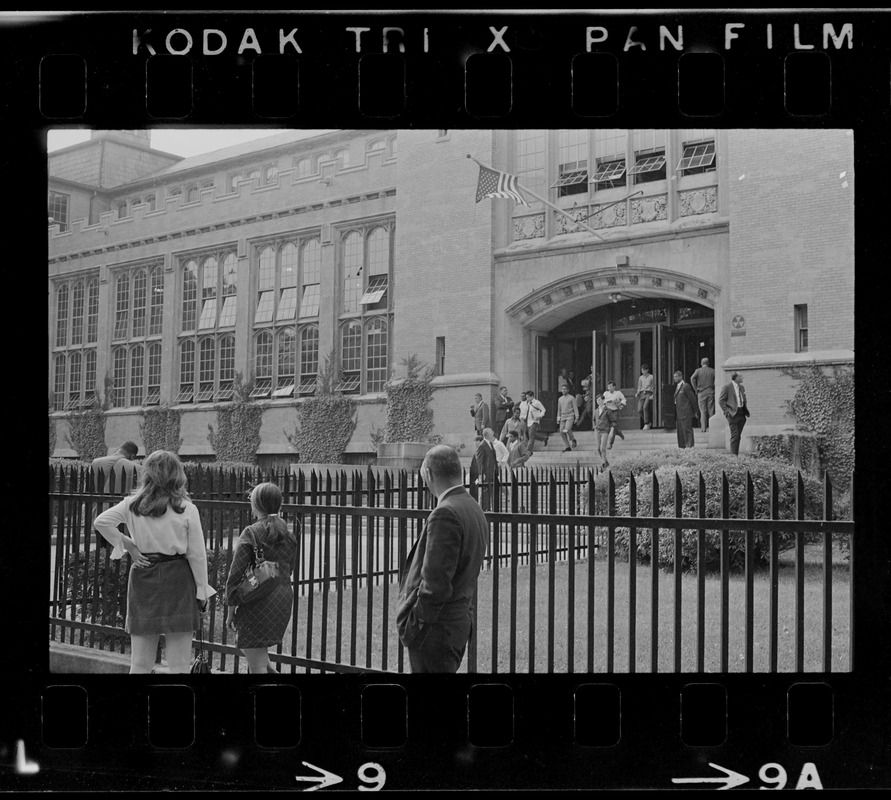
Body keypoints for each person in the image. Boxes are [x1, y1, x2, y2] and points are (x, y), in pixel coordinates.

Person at [92, 450, 216, 674]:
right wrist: (202, 591)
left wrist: (128, 545)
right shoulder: (187, 508)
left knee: (139, 664)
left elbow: (101, 521)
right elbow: (197, 555)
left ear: (147, 474)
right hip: (178, 579)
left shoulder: (132, 504)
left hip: (144, 575)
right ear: (177, 475)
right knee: (179, 666)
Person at [396, 445, 489, 673]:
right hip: (455, 624)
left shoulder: (445, 512)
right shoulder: (473, 507)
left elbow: (435, 584)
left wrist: (415, 625)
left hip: (436, 630)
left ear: (428, 474)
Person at [225, 482, 299, 674]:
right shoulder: (289, 534)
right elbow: (289, 569)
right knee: (260, 659)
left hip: (257, 600)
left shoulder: (251, 532)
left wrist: (231, 610)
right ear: (279, 505)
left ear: (256, 505)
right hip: (283, 598)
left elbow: (235, 576)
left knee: (256, 664)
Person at [718, 372, 751, 456]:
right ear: (736, 378)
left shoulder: (742, 387)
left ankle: (735, 455)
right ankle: (733, 456)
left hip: (741, 414)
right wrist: (727, 412)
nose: (742, 378)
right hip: (732, 414)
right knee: (735, 435)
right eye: (740, 376)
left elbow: (743, 399)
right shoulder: (727, 387)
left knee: (738, 436)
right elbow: (721, 401)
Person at [474, 428, 499, 511]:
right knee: (486, 492)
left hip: (492, 472)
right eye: (492, 434)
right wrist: (481, 473)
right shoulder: (482, 445)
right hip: (486, 473)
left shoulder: (490, 444)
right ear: (487, 435)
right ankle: (485, 509)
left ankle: (492, 508)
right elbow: (479, 461)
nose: (493, 436)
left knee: (493, 491)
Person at [673, 370, 699, 448]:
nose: (675, 378)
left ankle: (690, 446)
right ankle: (682, 447)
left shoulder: (686, 386)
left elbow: (692, 399)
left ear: (681, 376)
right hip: (679, 412)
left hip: (686, 412)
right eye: (674, 377)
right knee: (680, 431)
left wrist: (695, 411)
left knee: (687, 430)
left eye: (676, 377)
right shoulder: (677, 387)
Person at [690, 357, 716, 433]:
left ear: (701, 363)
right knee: (711, 410)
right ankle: (712, 428)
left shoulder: (698, 371)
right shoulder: (712, 371)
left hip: (701, 392)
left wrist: (695, 388)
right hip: (710, 391)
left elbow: (692, 378)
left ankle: (703, 428)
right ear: (708, 363)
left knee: (703, 411)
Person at [602, 381, 627, 448]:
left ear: (614, 387)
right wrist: (606, 402)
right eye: (608, 386)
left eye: (611, 386)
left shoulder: (618, 393)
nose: (609, 388)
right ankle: (618, 432)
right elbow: (602, 401)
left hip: (614, 411)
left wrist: (619, 403)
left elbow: (624, 400)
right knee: (609, 427)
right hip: (607, 411)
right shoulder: (605, 393)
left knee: (613, 426)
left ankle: (610, 443)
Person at [556, 384, 579, 452]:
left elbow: (575, 407)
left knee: (567, 429)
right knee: (561, 432)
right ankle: (567, 446)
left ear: (568, 390)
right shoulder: (560, 399)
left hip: (570, 416)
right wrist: (558, 418)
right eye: (562, 389)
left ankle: (573, 439)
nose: (563, 390)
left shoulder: (571, 398)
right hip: (563, 416)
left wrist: (576, 417)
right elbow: (559, 409)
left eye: (565, 389)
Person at [593, 394, 612, 468]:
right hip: (597, 430)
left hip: (605, 430)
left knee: (602, 448)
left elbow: (612, 420)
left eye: (599, 400)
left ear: (603, 400)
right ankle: (605, 461)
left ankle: (603, 463)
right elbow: (594, 419)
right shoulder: (596, 411)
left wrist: (610, 428)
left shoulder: (607, 410)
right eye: (597, 400)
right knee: (598, 448)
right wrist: (594, 426)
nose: (598, 401)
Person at [636, 364, 655, 431]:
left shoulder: (652, 377)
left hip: (649, 393)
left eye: (644, 370)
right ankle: (648, 422)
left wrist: (653, 395)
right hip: (642, 393)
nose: (643, 371)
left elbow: (653, 387)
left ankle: (646, 424)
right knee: (640, 409)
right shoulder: (640, 378)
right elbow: (639, 386)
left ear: (647, 370)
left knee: (645, 407)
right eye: (642, 370)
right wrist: (637, 392)